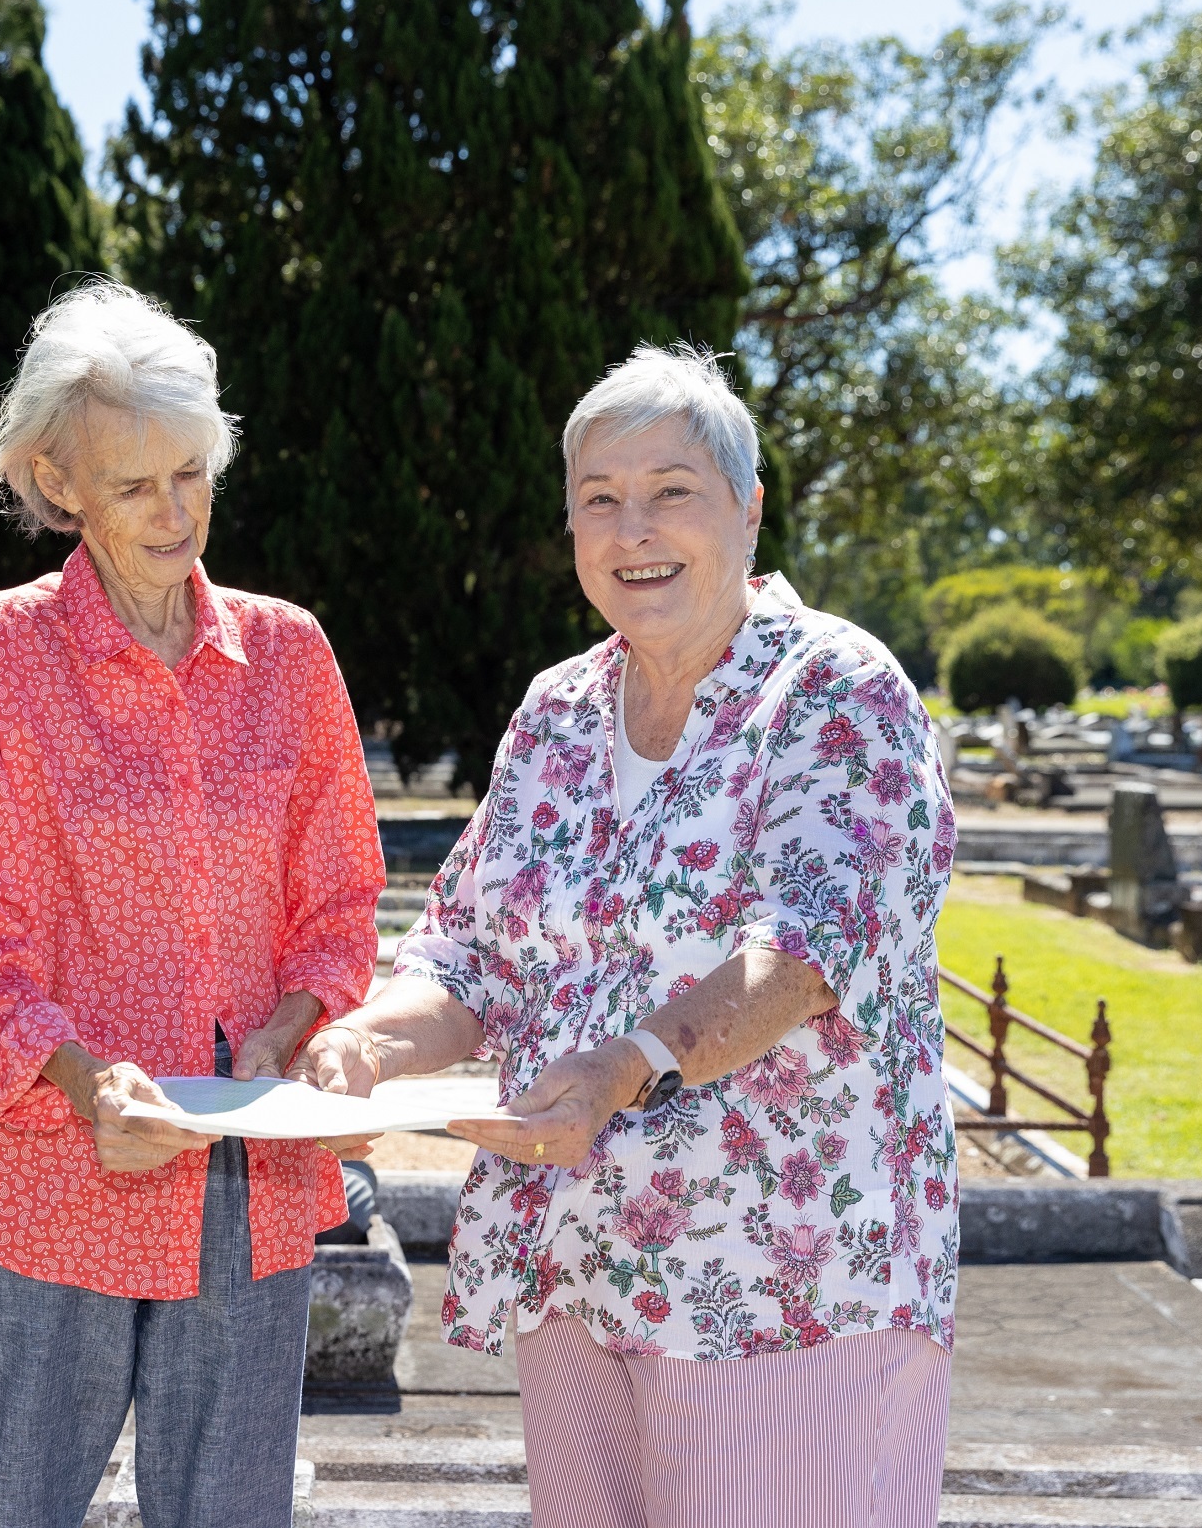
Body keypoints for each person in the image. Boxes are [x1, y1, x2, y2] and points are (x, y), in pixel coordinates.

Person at [295, 342, 959, 1528]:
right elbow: (470, 952)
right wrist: (374, 1045)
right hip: (581, 1266)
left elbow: (803, 950)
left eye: (671, 490)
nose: (632, 526)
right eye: (599, 498)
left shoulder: (836, 689)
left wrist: (627, 1065)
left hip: (783, 1286)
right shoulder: (555, 709)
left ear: (748, 511)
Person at [0, 280, 384, 1528]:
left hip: (247, 1184)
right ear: (57, 481)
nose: (177, 514)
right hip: (42, 1177)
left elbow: (338, 904)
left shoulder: (290, 655)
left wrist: (290, 1038)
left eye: (193, 472)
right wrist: (89, 1087)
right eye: (135, 486)